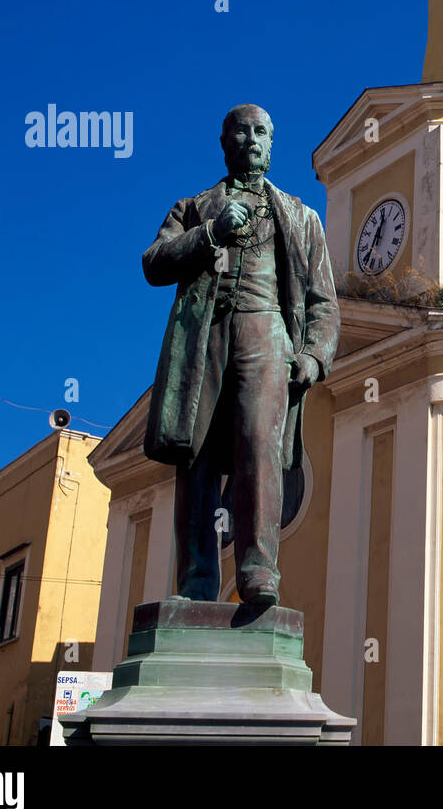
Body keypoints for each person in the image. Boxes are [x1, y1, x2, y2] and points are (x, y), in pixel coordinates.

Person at [142, 104, 339, 607]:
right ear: (224, 142)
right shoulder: (192, 208)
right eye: (241, 131)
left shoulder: (300, 216)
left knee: (259, 447)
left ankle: (257, 571)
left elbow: (322, 301)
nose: (251, 139)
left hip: (266, 329)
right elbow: (154, 263)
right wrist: (210, 234)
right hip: (205, 336)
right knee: (197, 455)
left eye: (261, 132)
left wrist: (314, 356)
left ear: (271, 145)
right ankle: (197, 580)